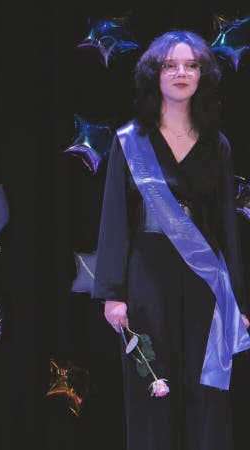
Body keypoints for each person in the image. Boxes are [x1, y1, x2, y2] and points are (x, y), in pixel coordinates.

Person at [93, 30, 250, 450]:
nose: (181, 72)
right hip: (146, 280)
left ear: (203, 75)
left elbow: (227, 228)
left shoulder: (218, 145)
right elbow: (114, 220)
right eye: (171, 65)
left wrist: (238, 300)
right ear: (154, 75)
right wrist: (112, 293)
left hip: (205, 284)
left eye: (191, 65)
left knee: (208, 393)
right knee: (152, 390)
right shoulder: (129, 142)